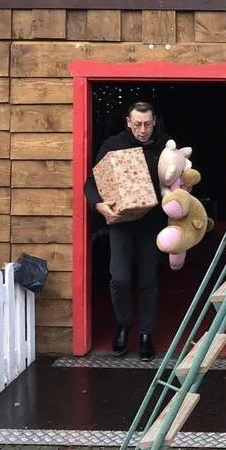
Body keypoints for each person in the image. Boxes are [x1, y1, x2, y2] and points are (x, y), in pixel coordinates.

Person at [84, 101, 169, 359]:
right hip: (121, 223)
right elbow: (91, 181)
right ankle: (123, 324)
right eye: (137, 124)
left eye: (146, 124)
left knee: (148, 279)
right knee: (119, 278)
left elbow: (178, 177)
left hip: (152, 223)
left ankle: (146, 334)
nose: (142, 130)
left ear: (154, 121)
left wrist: (183, 188)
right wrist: (99, 206)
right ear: (128, 122)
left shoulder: (165, 145)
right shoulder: (113, 145)